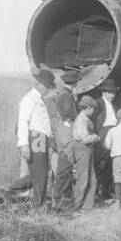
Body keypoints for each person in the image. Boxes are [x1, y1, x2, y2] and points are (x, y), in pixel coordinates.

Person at [15, 69, 55, 208]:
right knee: (40, 174)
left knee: (41, 173)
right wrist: (24, 144)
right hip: (35, 138)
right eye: (48, 86)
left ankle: (38, 203)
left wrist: (49, 144)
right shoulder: (29, 98)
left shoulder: (39, 100)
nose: (48, 89)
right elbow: (23, 121)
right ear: (41, 84)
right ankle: (39, 207)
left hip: (41, 138)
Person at [48, 71, 80, 206]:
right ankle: (58, 198)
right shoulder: (67, 95)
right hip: (65, 131)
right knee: (65, 164)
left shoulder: (63, 93)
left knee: (65, 165)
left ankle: (63, 197)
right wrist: (76, 116)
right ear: (75, 83)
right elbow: (67, 112)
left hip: (61, 130)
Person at [71, 96, 101, 210]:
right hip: (82, 149)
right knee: (83, 178)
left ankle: (87, 206)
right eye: (93, 109)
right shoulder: (81, 119)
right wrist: (96, 137)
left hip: (88, 149)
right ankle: (77, 205)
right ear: (88, 107)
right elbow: (84, 138)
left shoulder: (85, 119)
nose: (94, 111)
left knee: (92, 179)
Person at [93, 80, 120, 203]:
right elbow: (93, 120)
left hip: (112, 133)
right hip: (102, 134)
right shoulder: (98, 103)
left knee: (109, 164)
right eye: (109, 93)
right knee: (100, 164)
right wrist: (97, 134)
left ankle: (105, 193)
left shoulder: (112, 105)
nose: (111, 96)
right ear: (103, 92)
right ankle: (96, 192)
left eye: (113, 93)